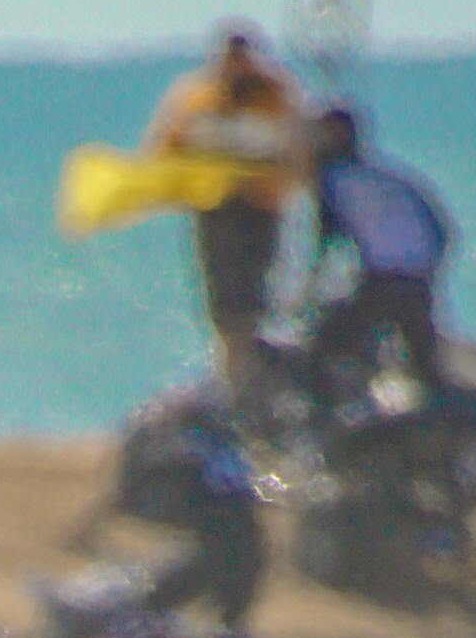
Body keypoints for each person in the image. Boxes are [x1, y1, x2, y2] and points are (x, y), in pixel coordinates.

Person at [144, 21, 306, 399]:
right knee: (224, 307)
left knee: (252, 302)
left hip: (259, 210)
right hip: (216, 213)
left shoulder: (275, 94)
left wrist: (269, 183)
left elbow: (295, 155)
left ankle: (247, 380)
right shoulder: (198, 97)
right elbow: (165, 151)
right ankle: (232, 381)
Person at [306, 101, 452, 404]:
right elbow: (441, 230)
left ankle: (332, 409)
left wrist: (306, 294)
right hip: (418, 276)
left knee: (325, 344)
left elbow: (327, 245)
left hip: (385, 277)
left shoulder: (333, 180)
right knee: (421, 358)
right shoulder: (386, 176)